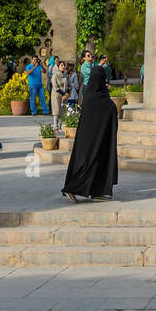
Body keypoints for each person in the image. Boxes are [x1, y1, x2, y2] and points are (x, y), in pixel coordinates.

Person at [61, 68, 119, 203]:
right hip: (101, 142)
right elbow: (111, 117)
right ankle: (87, 190)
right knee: (97, 163)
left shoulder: (88, 98)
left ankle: (87, 191)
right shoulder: (105, 101)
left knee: (84, 164)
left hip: (84, 142)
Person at [51, 59, 69, 128]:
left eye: (64, 65)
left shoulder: (65, 75)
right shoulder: (55, 75)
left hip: (64, 95)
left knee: (63, 110)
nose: (63, 66)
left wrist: (67, 93)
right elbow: (55, 87)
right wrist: (63, 94)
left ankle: (60, 126)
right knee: (57, 110)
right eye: (61, 65)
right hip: (56, 95)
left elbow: (69, 85)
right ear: (58, 67)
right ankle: (55, 126)